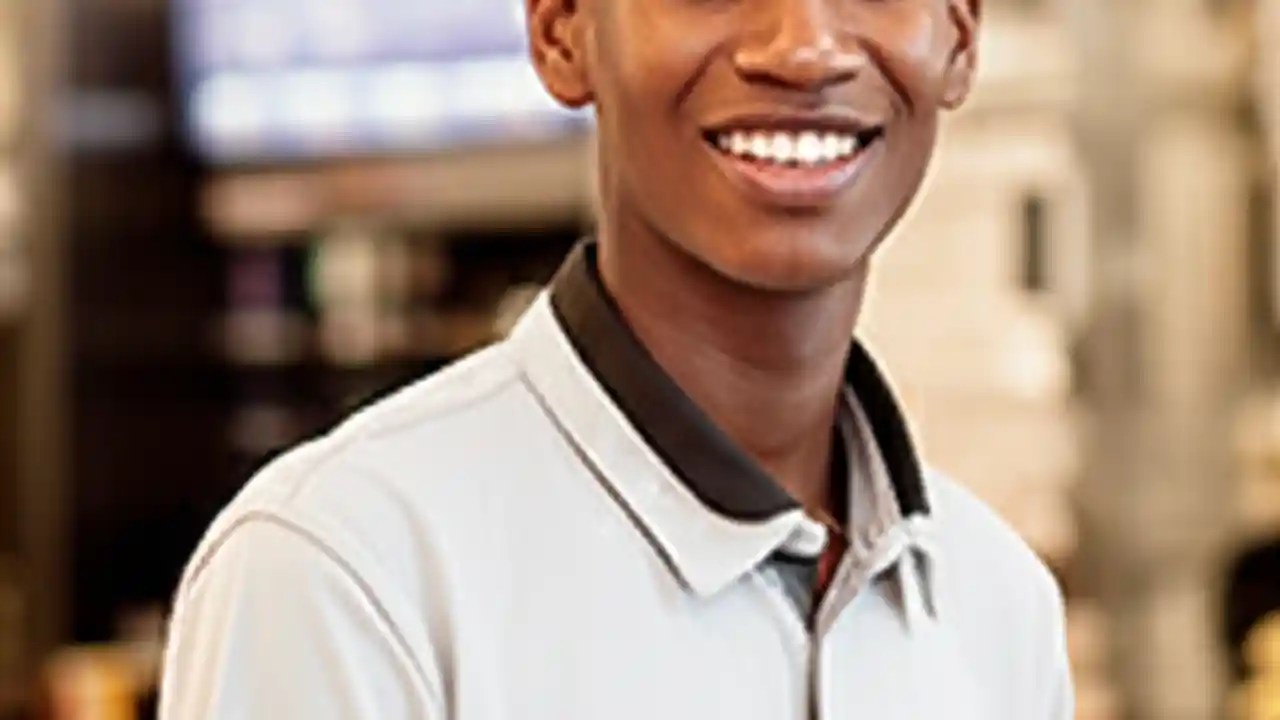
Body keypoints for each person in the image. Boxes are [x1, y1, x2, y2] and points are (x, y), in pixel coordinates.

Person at [160, 0, 1074, 717]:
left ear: (960, 34)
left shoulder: (1000, 611)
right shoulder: (348, 572)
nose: (803, 48)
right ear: (563, 29)